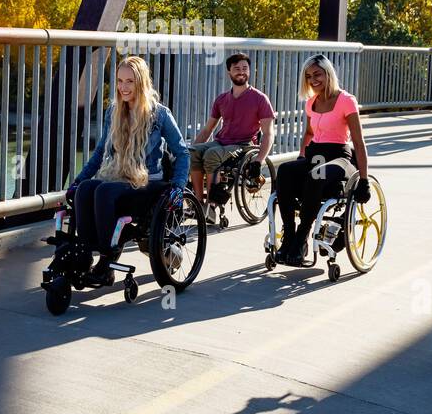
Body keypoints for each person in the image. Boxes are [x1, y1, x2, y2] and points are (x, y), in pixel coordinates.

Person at [66, 55, 189, 285]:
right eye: (120, 81)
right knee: (85, 190)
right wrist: (77, 181)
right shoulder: (113, 111)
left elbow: (182, 153)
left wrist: (179, 187)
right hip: (119, 175)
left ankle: (106, 260)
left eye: (130, 81)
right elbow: (99, 152)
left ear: (141, 82)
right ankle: (83, 254)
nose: (123, 87)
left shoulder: (159, 114)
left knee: (105, 192)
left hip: (148, 183)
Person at [274, 53, 371, 266]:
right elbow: (308, 134)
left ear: (328, 73)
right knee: (285, 171)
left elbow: (359, 141)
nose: (313, 80)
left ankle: (301, 238)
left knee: (316, 175)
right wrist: (301, 156)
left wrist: (364, 180)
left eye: (317, 74)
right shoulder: (311, 103)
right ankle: (289, 236)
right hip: (316, 154)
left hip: (340, 157)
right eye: (309, 76)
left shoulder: (346, 101)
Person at [188, 52, 276, 224]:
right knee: (193, 152)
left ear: (250, 71)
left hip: (244, 144)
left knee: (212, 154)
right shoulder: (221, 99)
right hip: (222, 142)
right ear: (229, 72)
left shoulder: (260, 99)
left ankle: (212, 206)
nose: (241, 72)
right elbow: (207, 130)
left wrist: (259, 160)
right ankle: (198, 204)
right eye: (236, 69)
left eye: (245, 68)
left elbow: (269, 133)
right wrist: (191, 151)